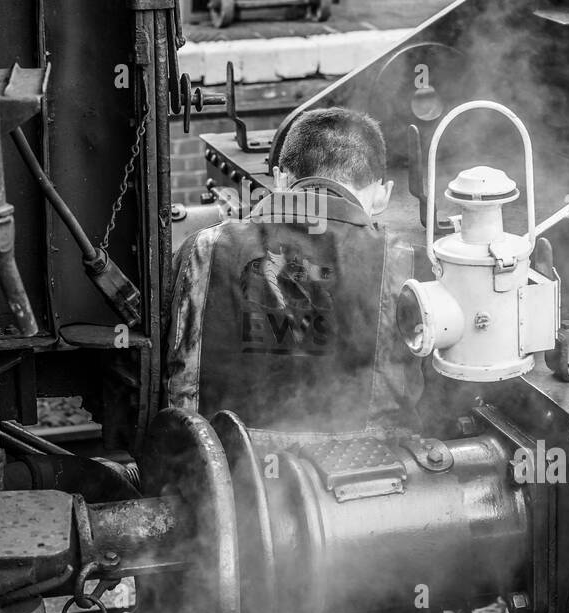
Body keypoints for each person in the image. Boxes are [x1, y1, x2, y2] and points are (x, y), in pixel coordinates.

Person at [165, 107, 422, 435]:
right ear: (383, 195)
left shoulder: (203, 248)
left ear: (281, 178)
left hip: (217, 468)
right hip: (362, 474)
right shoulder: (399, 261)